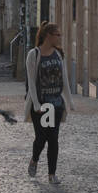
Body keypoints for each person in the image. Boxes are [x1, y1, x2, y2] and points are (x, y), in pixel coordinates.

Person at [24, 22, 73, 182]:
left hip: (56, 104)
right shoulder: (34, 54)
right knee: (41, 138)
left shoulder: (58, 54)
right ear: (48, 36)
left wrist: (69, 100)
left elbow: (64, 78)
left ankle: (52, 174)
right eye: (57, 34)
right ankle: (35, 159)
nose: (60, 37)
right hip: (42, 105)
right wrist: (36, 104)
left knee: (53, 138)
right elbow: (31, 81)